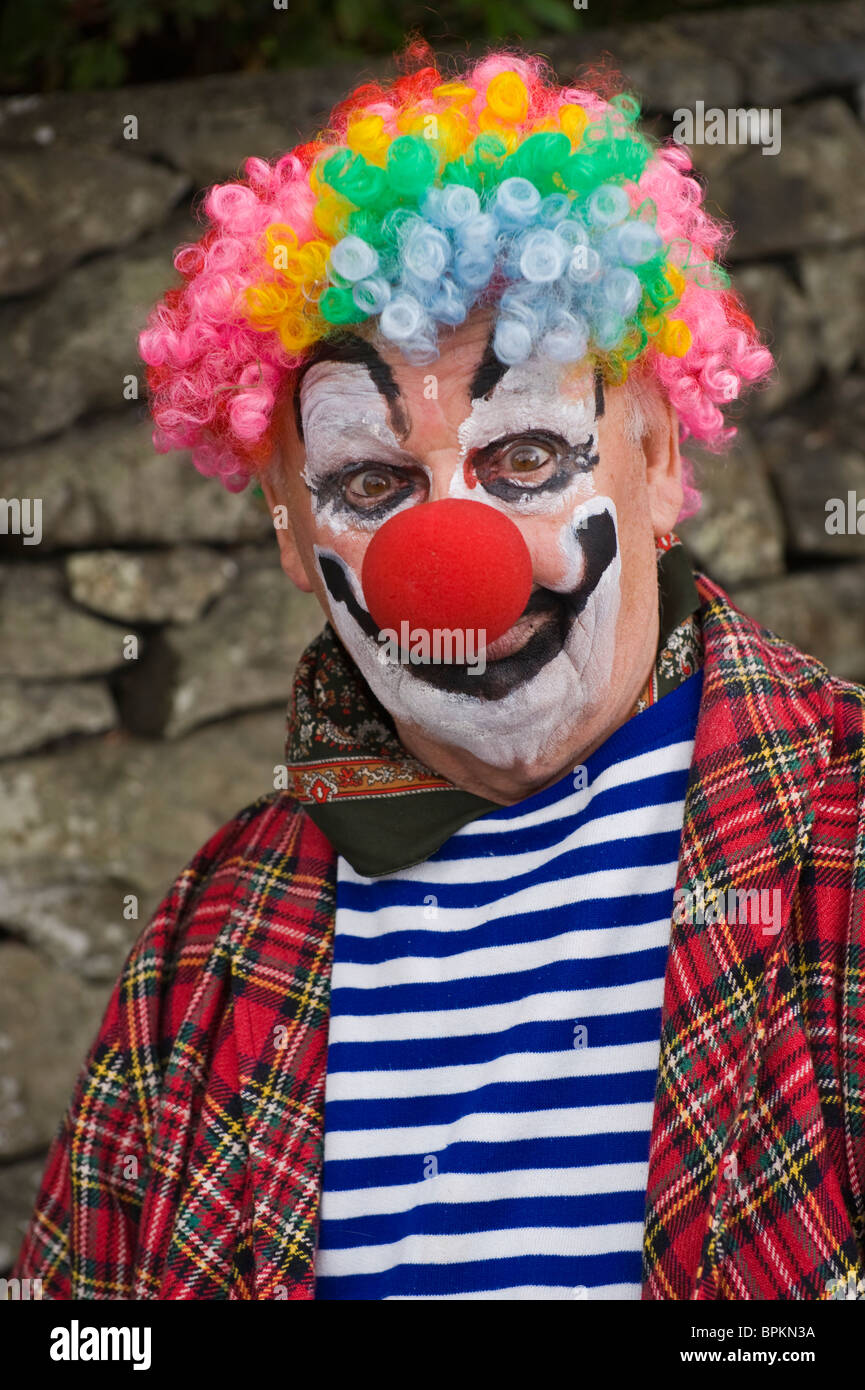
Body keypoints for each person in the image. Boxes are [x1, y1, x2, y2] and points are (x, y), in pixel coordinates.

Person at [14, 45, 865, 1302]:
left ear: (654, 452)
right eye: (370, 485)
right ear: (295, 533)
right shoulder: (209, 947)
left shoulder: (842, 833)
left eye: (525, 455)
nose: (448, 561)